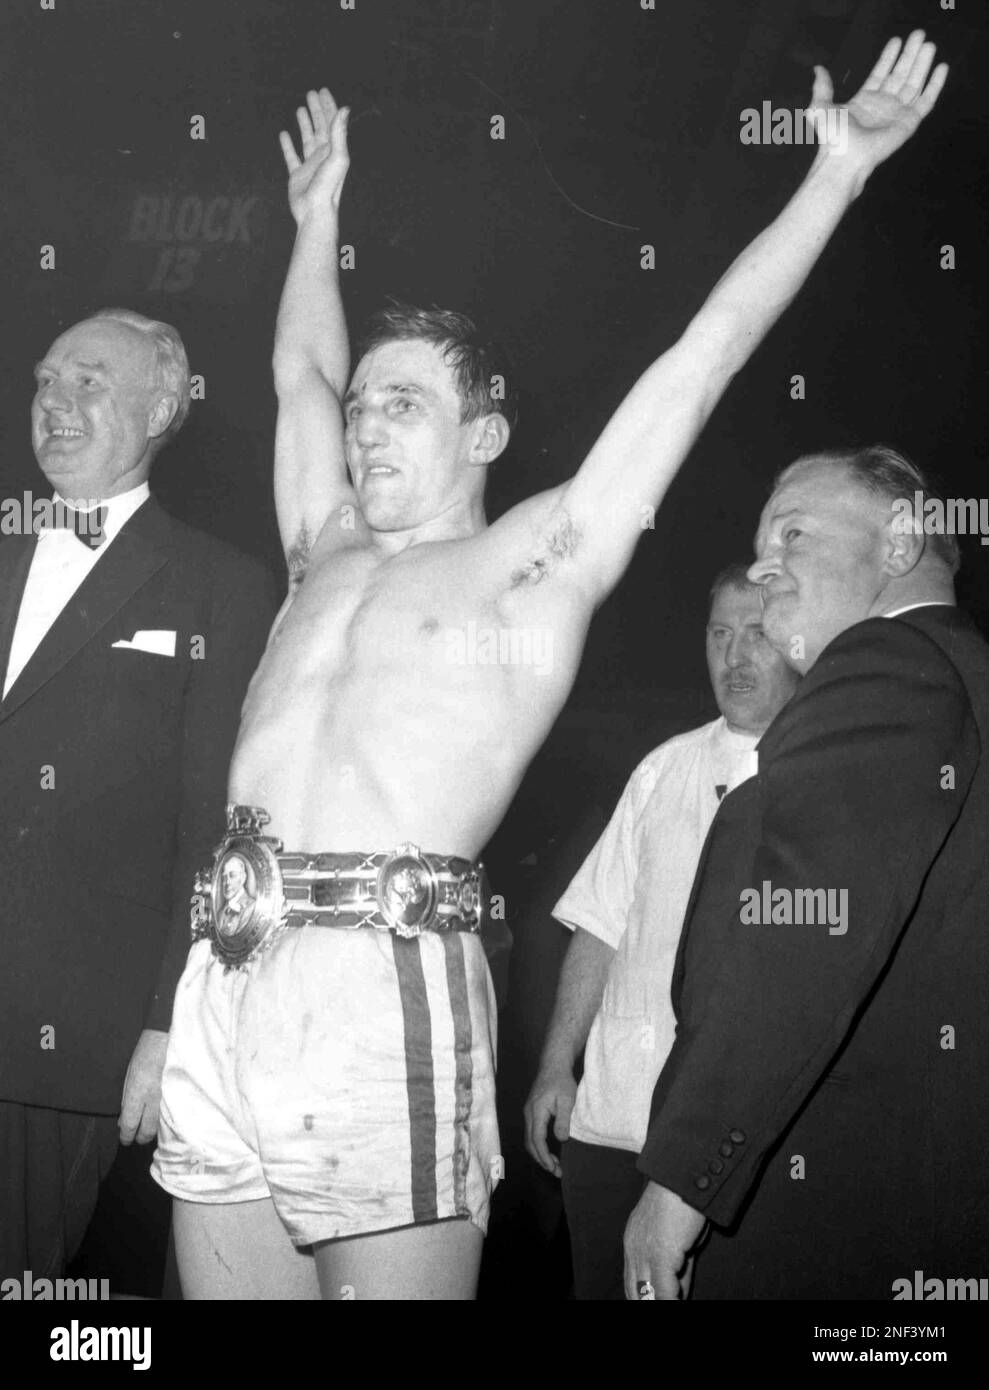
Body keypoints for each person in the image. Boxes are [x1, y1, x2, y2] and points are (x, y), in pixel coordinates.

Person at [153, 32, 948, 1300]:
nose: (362, 426)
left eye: (400, 403)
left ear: (485, 429)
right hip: (228, 974)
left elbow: (704, 357)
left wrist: (835, 174)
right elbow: (297, 370)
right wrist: (318, 220)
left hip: (383, 981)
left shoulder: (537, 562)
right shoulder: (321, 546)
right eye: (362, 409)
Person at [624, 445, 989, 1300]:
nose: (763, 564)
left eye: (792, 532)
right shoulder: (973, 681)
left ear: (900, 544)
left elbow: (801, 934)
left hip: (835, 1222)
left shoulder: (884, 666)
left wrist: (683, 1178)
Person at [0, 308, 275, 1284]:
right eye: (44, 380)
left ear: (162, 409)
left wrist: (167, 1026)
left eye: (88, 381)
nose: (55, 402)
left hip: (67, 1040)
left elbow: (214, 832)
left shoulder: (221, 588)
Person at [524, 565, 798, 1299]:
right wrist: (557, 1065)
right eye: (719, 634)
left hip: (728, 1148)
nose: (734, 656)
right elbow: (597, 927)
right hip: (611, 1127)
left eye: (758, 635)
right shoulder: (661, 768)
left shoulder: (822, 778)